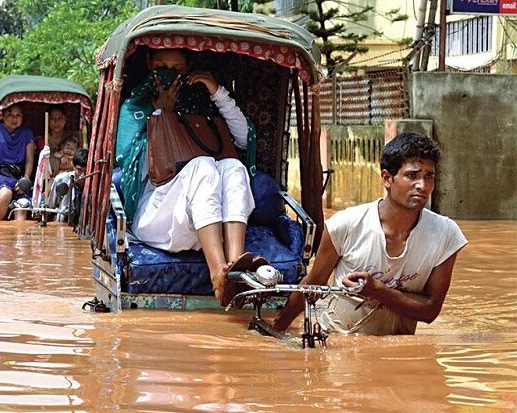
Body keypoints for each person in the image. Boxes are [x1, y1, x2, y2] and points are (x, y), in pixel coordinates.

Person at [274, 133, 468, 335]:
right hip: (336, 344)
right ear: (387, 178)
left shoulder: (446, 234)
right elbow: (313, 284)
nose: (423, 185)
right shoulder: (346, 224)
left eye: (429, 176)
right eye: (412, 176)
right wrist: (276, 331)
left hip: (396, 354)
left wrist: (377, 290)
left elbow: (430, 311)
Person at [116, 48, 258, 305]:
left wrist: (217, 92)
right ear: (149, 64)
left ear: (189, 69)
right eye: (161, 66)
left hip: (210, 218)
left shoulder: (201, 103)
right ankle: (218, 275)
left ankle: (236, 268)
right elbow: (134, 168)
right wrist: (161, 114)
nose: (168, 74)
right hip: (158, 213)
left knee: (233, 167)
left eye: (177, 69)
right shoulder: (134, 107)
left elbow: (243, 139)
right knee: (203, 165)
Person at [0, 104, 36, 220]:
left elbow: (29, 160)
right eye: (10, 115)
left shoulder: (26, 133)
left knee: (22, 206)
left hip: (19, 179)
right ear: (3, 116)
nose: (14, 119)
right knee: (5, 194)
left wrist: (25, 181)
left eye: (18, 115)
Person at [48, 147, 88, 224]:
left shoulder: (96, 185)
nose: (83, 175)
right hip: (64, 225)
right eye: (79, 170)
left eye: (86, 171)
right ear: (73, 166)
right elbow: (50, 208)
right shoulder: (61, 180)